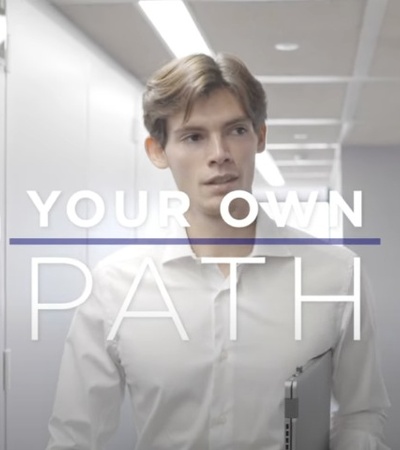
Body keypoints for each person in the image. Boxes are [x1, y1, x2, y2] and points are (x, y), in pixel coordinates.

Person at [46, 53, 391, 450]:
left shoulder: (336, 275)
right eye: (194, 136)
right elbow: (75, 436)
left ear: (260, 136)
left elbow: (360, 414)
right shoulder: (114, 286)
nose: (219, 153)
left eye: (236, 130)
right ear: (158, 151)